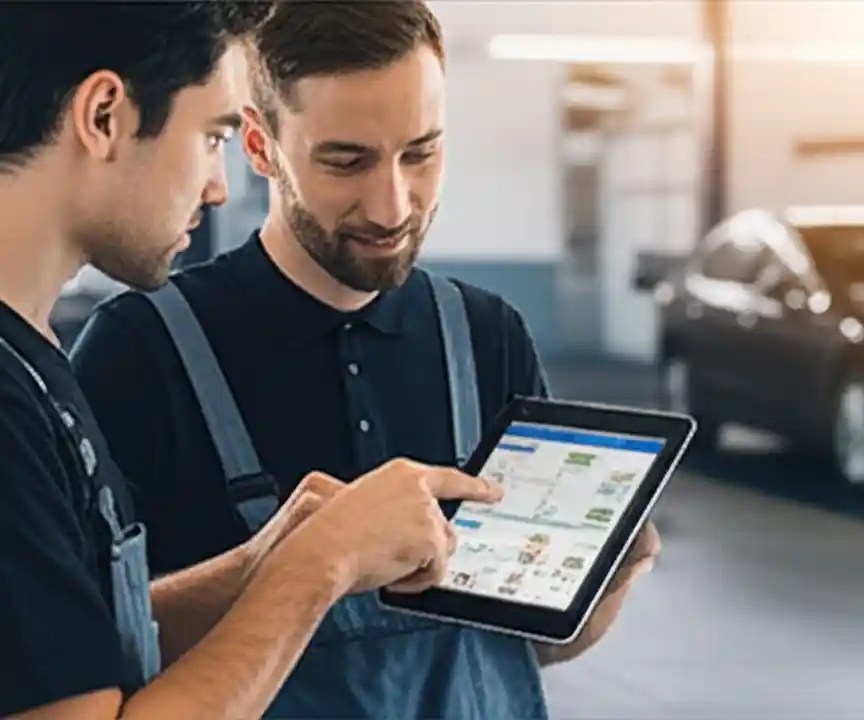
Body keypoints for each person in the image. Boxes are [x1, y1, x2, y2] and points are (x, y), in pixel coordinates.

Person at [70, 2, 661, 719]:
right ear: (259, 145)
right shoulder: (141, 352)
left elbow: (525, 645)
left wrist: (608, 580)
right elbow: (96, 652)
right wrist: (298, 565)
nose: (391, 206)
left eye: (421, 154)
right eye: (346, 161)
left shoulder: (488, 335)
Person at [0, 3, 505, 718]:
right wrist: (318, 566)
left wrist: (263, 562)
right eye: (212, 137)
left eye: (420, 152)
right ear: (105, 114)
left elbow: (81, 649)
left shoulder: (32, 367)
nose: (218, 186)